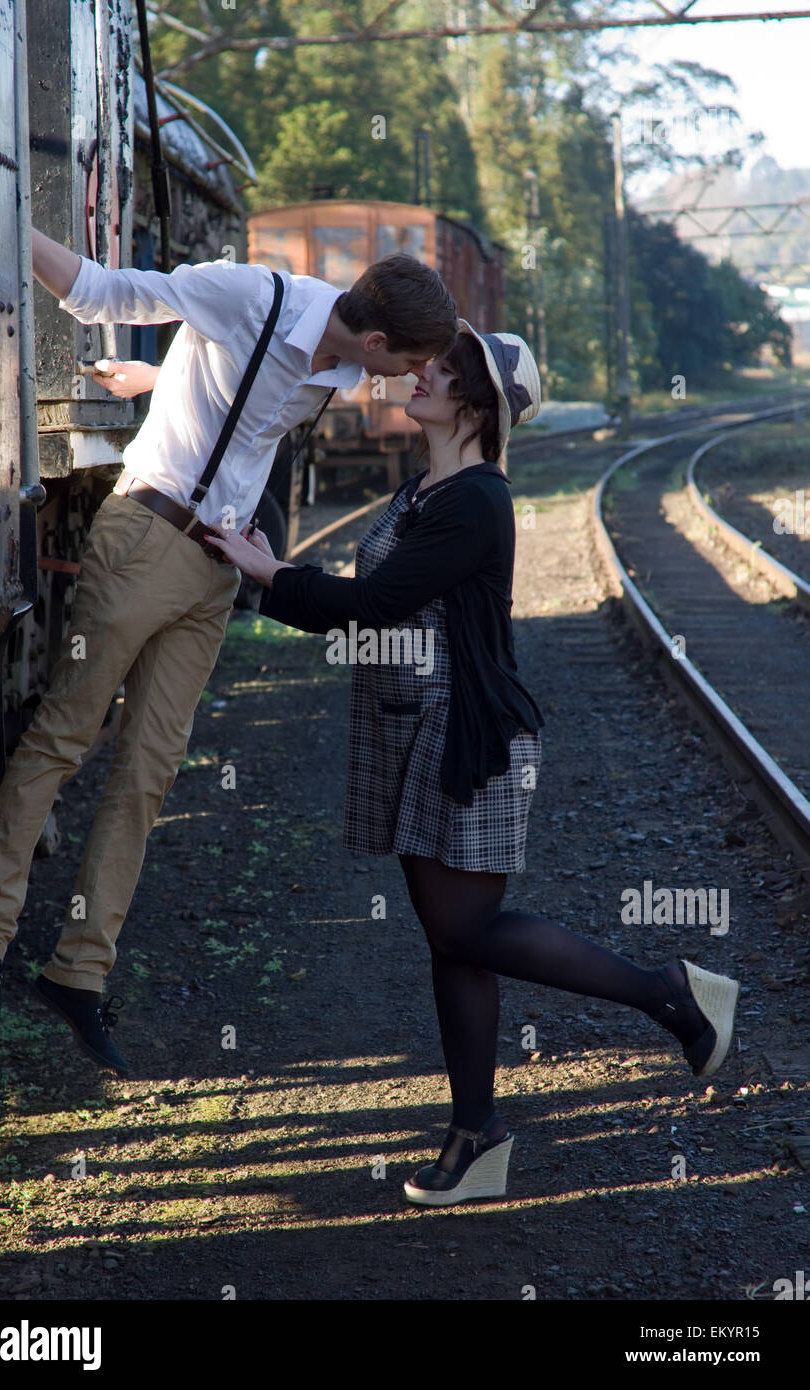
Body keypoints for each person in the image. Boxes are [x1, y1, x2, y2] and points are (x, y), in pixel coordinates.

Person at [204, 322, 741, 1208]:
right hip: (421, 728)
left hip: (465, 735)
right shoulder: (432, 487)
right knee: (452, 940)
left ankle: (671, 994)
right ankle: (476, 1134)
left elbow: (374, 602)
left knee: (466, 931)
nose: (424, 372)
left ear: (478, 406)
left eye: (446, 370)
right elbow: (377, 603)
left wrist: (270, 575)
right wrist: (275, 574)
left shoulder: (475, 501)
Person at [0, 236, 459, 1077]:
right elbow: (100, 291)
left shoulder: (340, 368)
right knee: (65, 738)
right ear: (375, 341)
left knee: (150, 772)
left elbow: (246, 406)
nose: (407, 380)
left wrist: (161, 383)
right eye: (408, 363)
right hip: (143, 541)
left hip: (216, 569)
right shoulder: (246, 294)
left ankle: (79, 974)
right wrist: (9, 222)